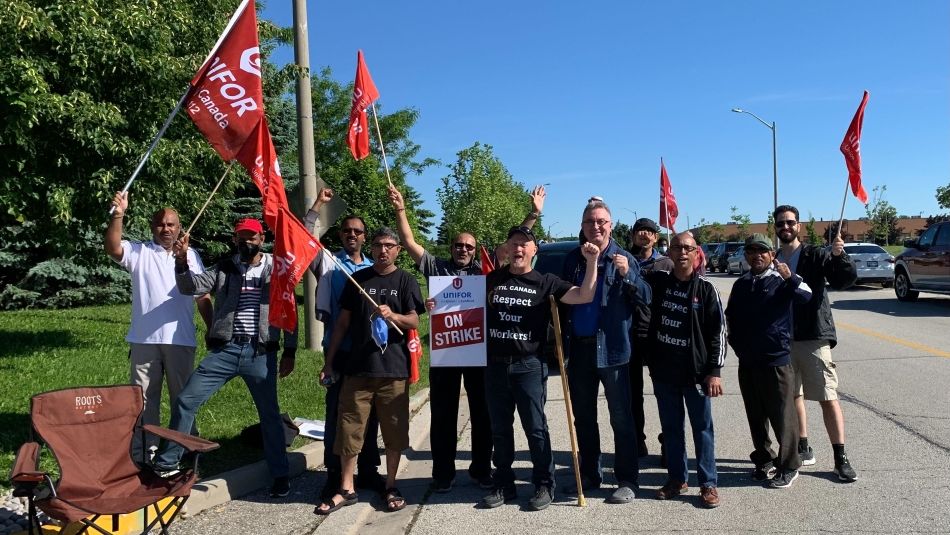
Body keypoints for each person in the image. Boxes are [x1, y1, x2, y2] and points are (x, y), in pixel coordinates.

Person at [386, 183, 547, 493]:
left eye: (469, 247)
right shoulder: (436, 267)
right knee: (443, 417)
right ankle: (443, 474)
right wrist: (400, 208)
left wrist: (533, 214)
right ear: (451, 247)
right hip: (446, 355)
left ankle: (480, 470)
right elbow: (407, 241)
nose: (463, 250)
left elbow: (516, 243)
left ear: (475, 251)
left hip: (478, 353)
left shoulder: (486, 269)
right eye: (459, 245)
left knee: (483, 415)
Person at [152, 218, 296, 498]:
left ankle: (280, 473)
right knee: (185, 399)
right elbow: (188, 287)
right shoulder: (224, 268)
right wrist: (181, 262)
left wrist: (289, 351)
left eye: (252, 237)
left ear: (261, 238)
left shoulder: (275, 270)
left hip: (260, 352)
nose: (247, 242)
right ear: (234, 240)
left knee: (269, 414)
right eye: (241, 237)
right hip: (226, 350)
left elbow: (289, 310)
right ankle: (167, 464)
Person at [479, 226, 599, 511]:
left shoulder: (545, 282)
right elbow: (462, 307)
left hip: (528, 366)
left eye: (524, 244)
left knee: (535, 428)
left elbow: (584, 296)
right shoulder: (491, 280)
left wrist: (592, 262)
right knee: (499, 429)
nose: (518, 249)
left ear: (534, 251)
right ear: (506, 250)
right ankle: (504, 483)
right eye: (513, 244)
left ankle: (544, 484)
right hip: (495, 366)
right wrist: (437, 306)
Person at [315, 228, 426, 515]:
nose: (383, 250)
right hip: (358, 369)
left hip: (393, 371)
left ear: (398, 250)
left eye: (389, 245)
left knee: (394, 432)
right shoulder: (358, 279)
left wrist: (395, 315)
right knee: (349, 431)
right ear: (372, 248)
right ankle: (346, 488)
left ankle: (390, 484)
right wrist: (329, 361)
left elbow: (414, 320)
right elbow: (341, 324)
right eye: (378, 245)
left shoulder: (406, 280)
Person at [104, 191, 212, 462]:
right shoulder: (139, 252)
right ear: (153, 227)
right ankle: (145, 450)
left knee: (183, 399)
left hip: (180, 339)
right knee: (143, 401)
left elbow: (202, 296)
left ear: (179, 228)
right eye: (161, 224)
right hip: (144, 340)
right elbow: (113, 247)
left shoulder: (191, 256)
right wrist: (118, 215)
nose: (166, 228)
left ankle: (185, 448)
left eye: (172, 224)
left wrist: (212, 327)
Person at [560, 200, 651, 504]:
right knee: (584, 417)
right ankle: (589, 474)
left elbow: (646, 298)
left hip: (613, 350)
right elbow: (561, 300)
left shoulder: (623, 258)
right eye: (590, 222)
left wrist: (630, 277)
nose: (595, 226)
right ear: (582, 226)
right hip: (579, 350)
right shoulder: (573, 259)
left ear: (610, 225)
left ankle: (627, 478)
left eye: (601, 221)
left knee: (621, 418)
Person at [303, 189, 385, 499]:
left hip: (368, 351)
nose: (352, 235)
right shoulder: (327, 262)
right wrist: (318, 205)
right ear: (341, 234)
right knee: (337, 412)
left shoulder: (374, 266)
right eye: (347, 230)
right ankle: (334, 473)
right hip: (338, 350)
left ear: (365, 237)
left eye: (358, 231)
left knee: (369, 413)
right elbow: (305, 238)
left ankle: (368, 470)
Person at [773, 205, 859, 482]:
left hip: (813, 335)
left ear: (798, 225)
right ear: (774, 227)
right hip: (784, 338)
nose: (785, 227)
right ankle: (803, 446)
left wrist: (840, 256)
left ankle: (840, 458)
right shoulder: (773, 258)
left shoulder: (815, 254)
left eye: (790, 222)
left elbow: (843, 280)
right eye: (780, 223)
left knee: (827, 396)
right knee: (793, 395)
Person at [726, 234, 813, 489]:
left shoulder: (781, 281)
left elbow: (806, 297)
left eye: (762, 251)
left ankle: (789, 465)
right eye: (751, 251)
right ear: (746, 256)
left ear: (771, 255)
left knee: (782, 415)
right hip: (749, 361)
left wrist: (790, 277)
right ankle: (764, 459)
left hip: (776, 361)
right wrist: (736, 344)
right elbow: (731, 316)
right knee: (755, 415)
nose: (757, 256)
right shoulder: (742, 284)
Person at [646, 232, 725, 508]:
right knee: (671, 429)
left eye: (687, 248)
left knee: (702, 429)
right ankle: (677, 479)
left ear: (696, 253)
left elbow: (718, 333)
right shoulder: (658, 283)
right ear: (669, 252)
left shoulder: (705, 289)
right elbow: (633, 272)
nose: (682, 252)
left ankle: (708, 483)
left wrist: (714, 371)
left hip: (696, 374)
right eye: (677, 247)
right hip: (664, 373)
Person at [627, 217, 673, 462]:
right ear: (633, 235)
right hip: (630, 335)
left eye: (649, 231)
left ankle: (669, 443)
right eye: (639, 231)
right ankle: (637, 441)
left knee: (665, 392)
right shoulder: (625, 261)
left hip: (659, 335)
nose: (644, 235)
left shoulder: (667, 263)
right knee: (633, 394)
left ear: (656, 237)